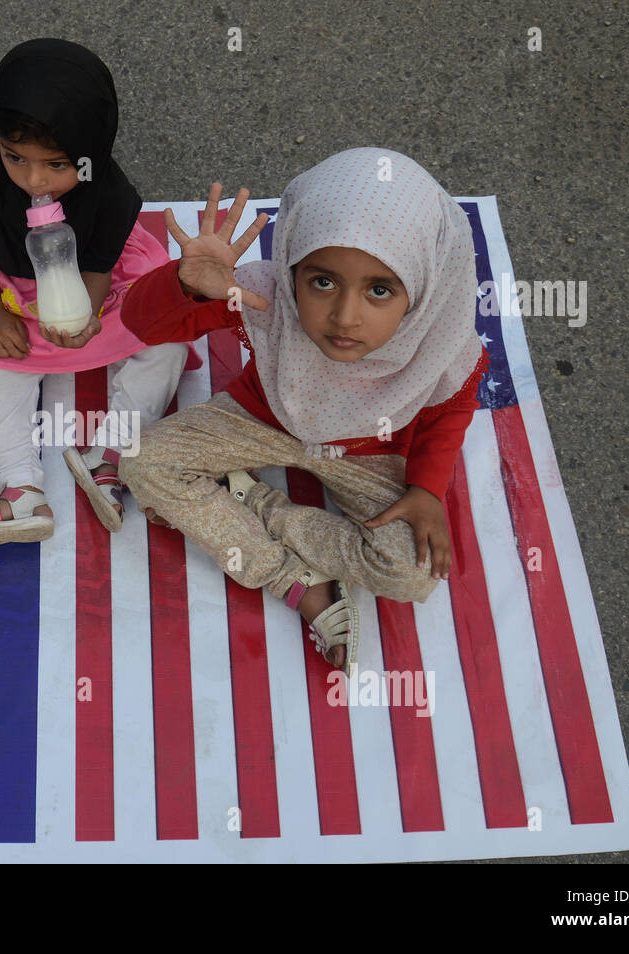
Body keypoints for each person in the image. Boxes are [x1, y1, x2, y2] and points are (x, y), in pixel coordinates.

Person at [118, 149, 489, 676]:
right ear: (292, 264)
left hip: (369, 450)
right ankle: (293, 580)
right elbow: (144, 326)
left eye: (380, 290)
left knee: (413, 573)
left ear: (425, 290)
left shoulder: (441, 339)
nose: (344, 315)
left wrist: (427, 488)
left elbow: (451, 408)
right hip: (264, 417)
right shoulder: (264, 294)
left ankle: (254, 500)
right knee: (142, 461)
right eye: (322, 281)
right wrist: (183, 285)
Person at [0, 38, 190, 548]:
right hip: (16, 297)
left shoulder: (109, 190)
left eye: (57, 164)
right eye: (16, 158)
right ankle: (20, 487)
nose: (35, 180)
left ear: (93, 153)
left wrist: (88, 314)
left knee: (167, 334)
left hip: (103, 286)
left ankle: (111, 455)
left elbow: (99, 265)